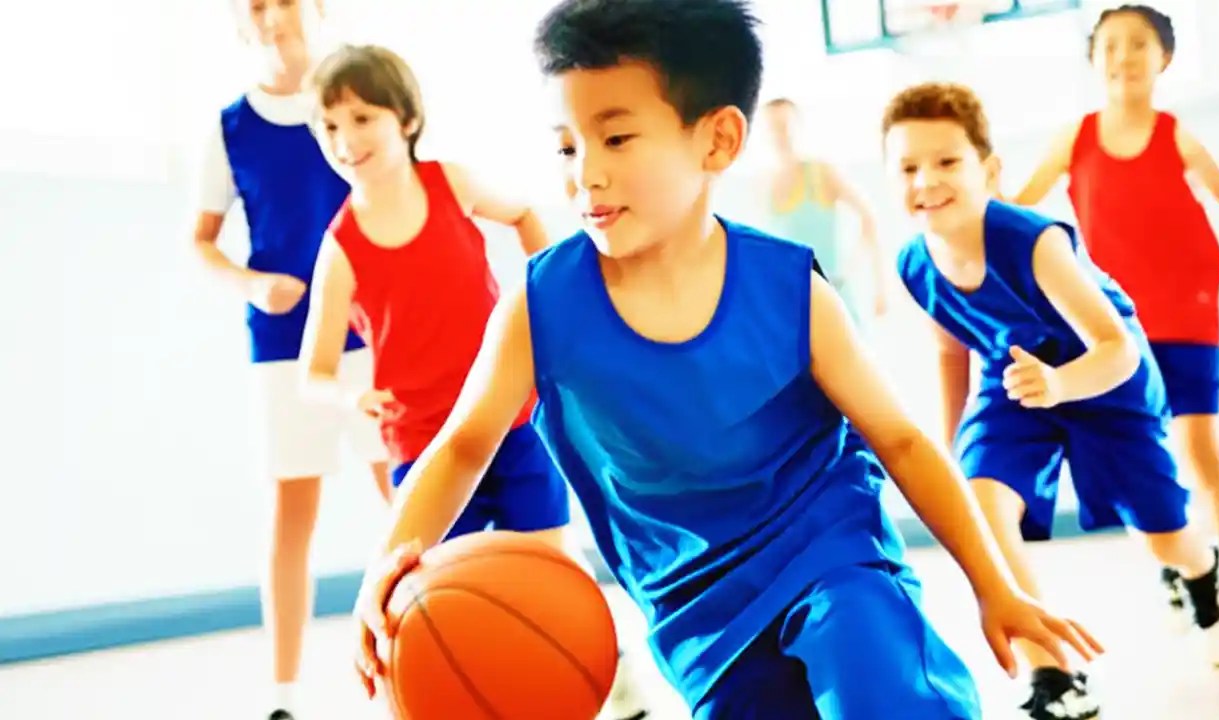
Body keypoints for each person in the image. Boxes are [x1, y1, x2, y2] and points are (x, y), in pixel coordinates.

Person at [353, 2, 1101, 718]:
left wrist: (993, 585)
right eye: (566, 146)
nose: (586, 173)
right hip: (697, 612)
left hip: (828, 550)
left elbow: (901, 440)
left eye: (615, 139)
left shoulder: (790, 291)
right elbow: (460, 447)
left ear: (716, 141)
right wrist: (386, 568)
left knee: (875, 673)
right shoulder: (541, 303)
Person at [886, 80, 1219, 720]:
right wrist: (955, 451)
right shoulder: (914, 263)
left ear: (989, 170)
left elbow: (1118, 348)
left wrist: (1061, 385)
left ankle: (1207, 578)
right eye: (909, 166)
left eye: (947, 161)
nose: (928, 180)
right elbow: (953, 351)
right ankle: (1054, 675)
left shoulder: (1034, 242)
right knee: (983, 508)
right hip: (1014, 382)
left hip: (1104, 383)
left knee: (1162, 535)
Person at [298, 43, 650, 720]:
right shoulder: (341, 247)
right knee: (431, 604)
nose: (345, 141)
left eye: (361, 119)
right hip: (423, 451)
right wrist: (352, 395)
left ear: (404, 118)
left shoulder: (451, 184)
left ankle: (614, 689)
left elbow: (521, 215)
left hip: (512, 423)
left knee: (556, 570)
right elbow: (313, 373)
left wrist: (550, 297)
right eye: (329, 128)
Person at [1012, 3, 1219, 662]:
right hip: (1113, 326)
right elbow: (1016, 208)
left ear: (1166, 59)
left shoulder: (1175, 135)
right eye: (1110, 46)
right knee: (1134, 456)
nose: (1123, 56)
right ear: (1093, 60)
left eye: (1138, 44)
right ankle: (1180, 565)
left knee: (1199, 445)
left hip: (1187, 308)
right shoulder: (1076, 137)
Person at [188, 3, 387, 718]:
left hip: (375, 335)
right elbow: (201, 242)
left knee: (412, 494)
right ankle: (283, 697)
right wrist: (252, 284)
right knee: (291, 511)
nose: (274, 15)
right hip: (283, 346)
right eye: (257, 5)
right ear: (243, 24)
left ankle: (440, 650)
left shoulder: (355, 102)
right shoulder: (230, 128)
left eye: (286, 0)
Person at [759, 97, 888, 327]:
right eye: (774, 128)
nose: (781, 134)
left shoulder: (820, 172)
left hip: (833, 296)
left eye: (786, 126)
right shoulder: (765, 184)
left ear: (798, 127)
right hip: (791, 304)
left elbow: (868, 216)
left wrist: (875, 284)